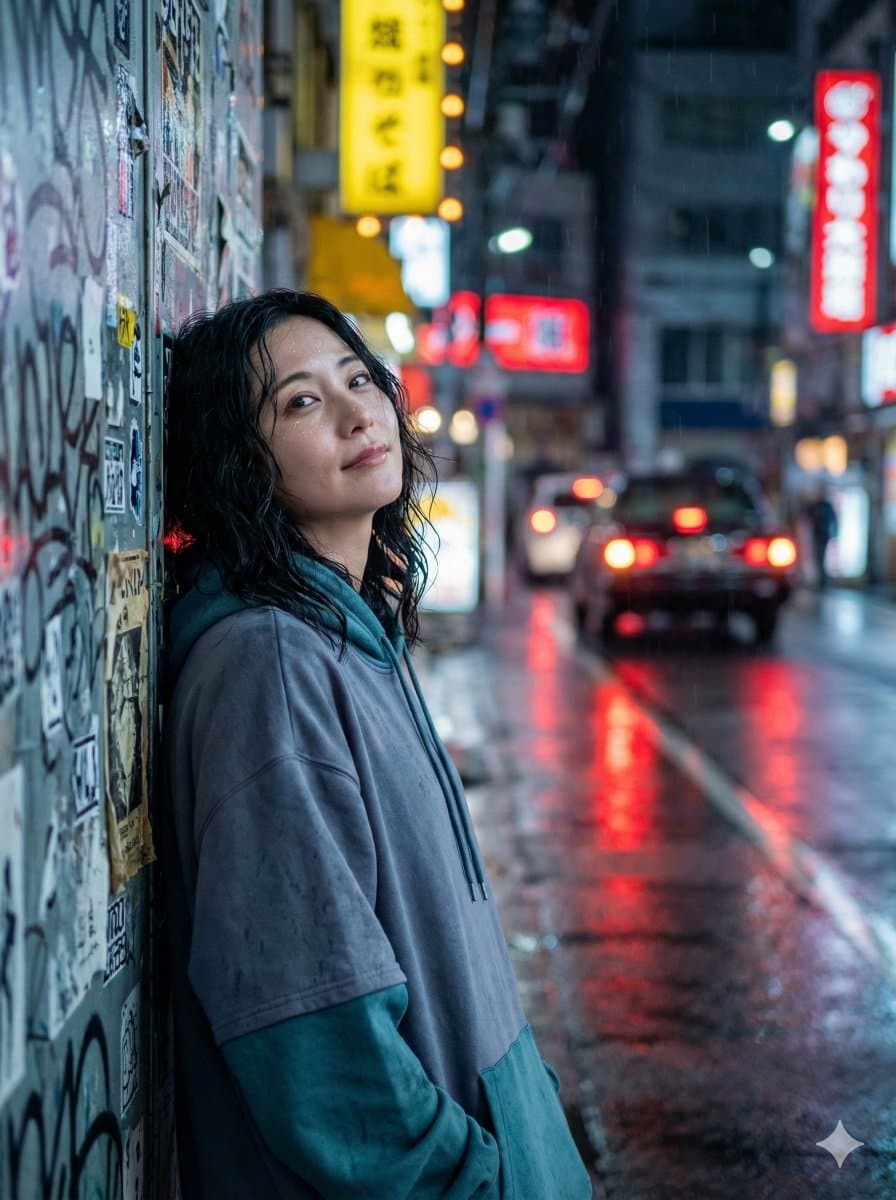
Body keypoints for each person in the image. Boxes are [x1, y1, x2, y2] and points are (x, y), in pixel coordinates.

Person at [162, 289, 592, 1199]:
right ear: (240, 461)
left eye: (360, 379)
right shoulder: (270, 663)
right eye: (301, 402)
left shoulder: (349, 630)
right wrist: (480, 1177)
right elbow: (311, 1029)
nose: (363, 413)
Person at [806, 489, 837, 588]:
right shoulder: (816, 505)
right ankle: (820, 579)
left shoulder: (826, 506)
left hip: (824, 535)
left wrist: (834, 534)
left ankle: (823, 580)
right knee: (817, 556)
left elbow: (833, 520)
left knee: (822, 556)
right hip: (817, 534)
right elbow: (808, 516)